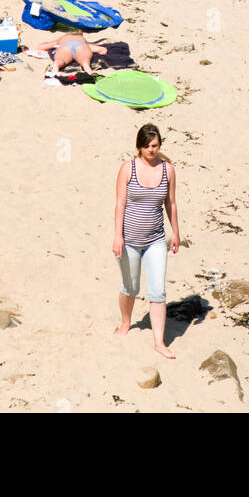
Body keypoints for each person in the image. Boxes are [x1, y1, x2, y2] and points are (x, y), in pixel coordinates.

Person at [113, 124, 180, 360]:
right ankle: (125, 322)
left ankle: (159, 342)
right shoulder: (127, 169)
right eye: (147, 146)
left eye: (155, 145)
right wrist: (118, 237)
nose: (152, 150)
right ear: (139, 147)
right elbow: (120, 204)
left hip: (156, 240)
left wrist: (176, 233)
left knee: (158, 291)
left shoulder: (168, 170)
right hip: (129, 240)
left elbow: (170, 204)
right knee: (130, 287)